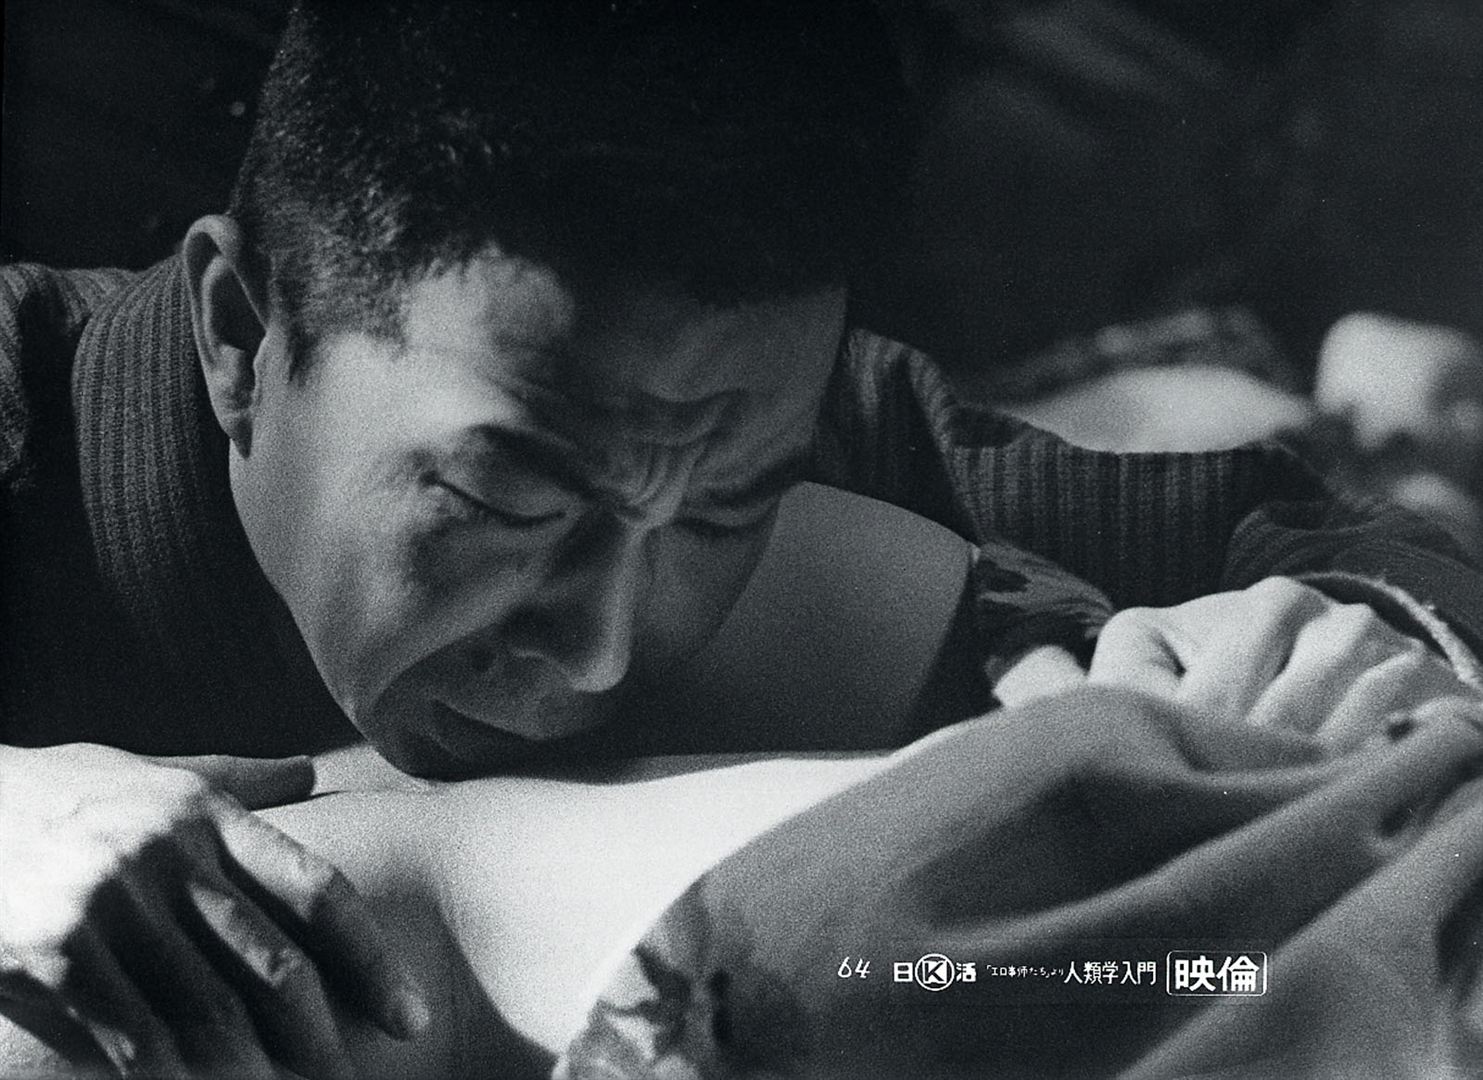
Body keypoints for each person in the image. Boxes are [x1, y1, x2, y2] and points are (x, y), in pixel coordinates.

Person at [3, 1, 1483, 1076]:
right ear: (240, 333)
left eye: (723, 517)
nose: (602, 650)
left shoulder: (777, 415)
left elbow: (1309, 533)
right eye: (512, 503)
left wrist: (1342, 630)